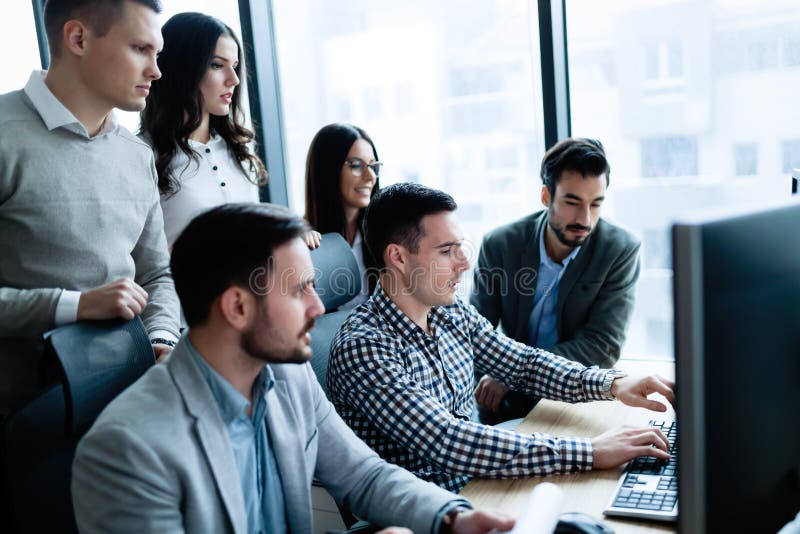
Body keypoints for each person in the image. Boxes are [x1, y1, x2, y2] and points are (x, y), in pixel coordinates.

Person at [71, 203, 516, 534]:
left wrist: (452, 517)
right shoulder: (126, 451)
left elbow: (364, 475)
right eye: (300, 290)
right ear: (238, 307)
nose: (318, 307)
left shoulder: (287, 376)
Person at [328, 183, 673, 493]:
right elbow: (450, 442)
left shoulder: (448, 311)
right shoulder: (364, 347)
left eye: (460, 246)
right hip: (434, 511)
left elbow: (523, 364)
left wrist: (612, 384)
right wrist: (592, 452)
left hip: (483, 486)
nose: (464, 263)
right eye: (447, 250)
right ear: (398, 257)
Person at [0, 0, 179, 415]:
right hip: (22, 424)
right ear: (78, 38)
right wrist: (73, 305)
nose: (156, 71)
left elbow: (156, 272)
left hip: (125, 404)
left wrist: (163, 336)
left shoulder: (136, 155)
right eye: (140, 49)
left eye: (158, 53)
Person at [471, 138, 640, 422]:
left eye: (596, 204)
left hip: (577, 400)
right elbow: (474, 332)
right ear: (546, 197)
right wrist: (499, 377)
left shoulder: (619, 249)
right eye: (572, 203)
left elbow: (601, 345)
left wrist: (513, 372)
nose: (585, 219)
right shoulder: (501, 244)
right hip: (502, 401)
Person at [139, 12, 267, 250]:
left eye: (235, 66)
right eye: (217, 65)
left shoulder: (237, 148)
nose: (234, 79)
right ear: (182, 69)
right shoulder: (142, 155)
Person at [304, 123, 381, 310]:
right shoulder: (303, 240)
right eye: (356, 165)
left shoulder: (383, 232)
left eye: (373, 166)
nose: (370, 176)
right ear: (328, 171)